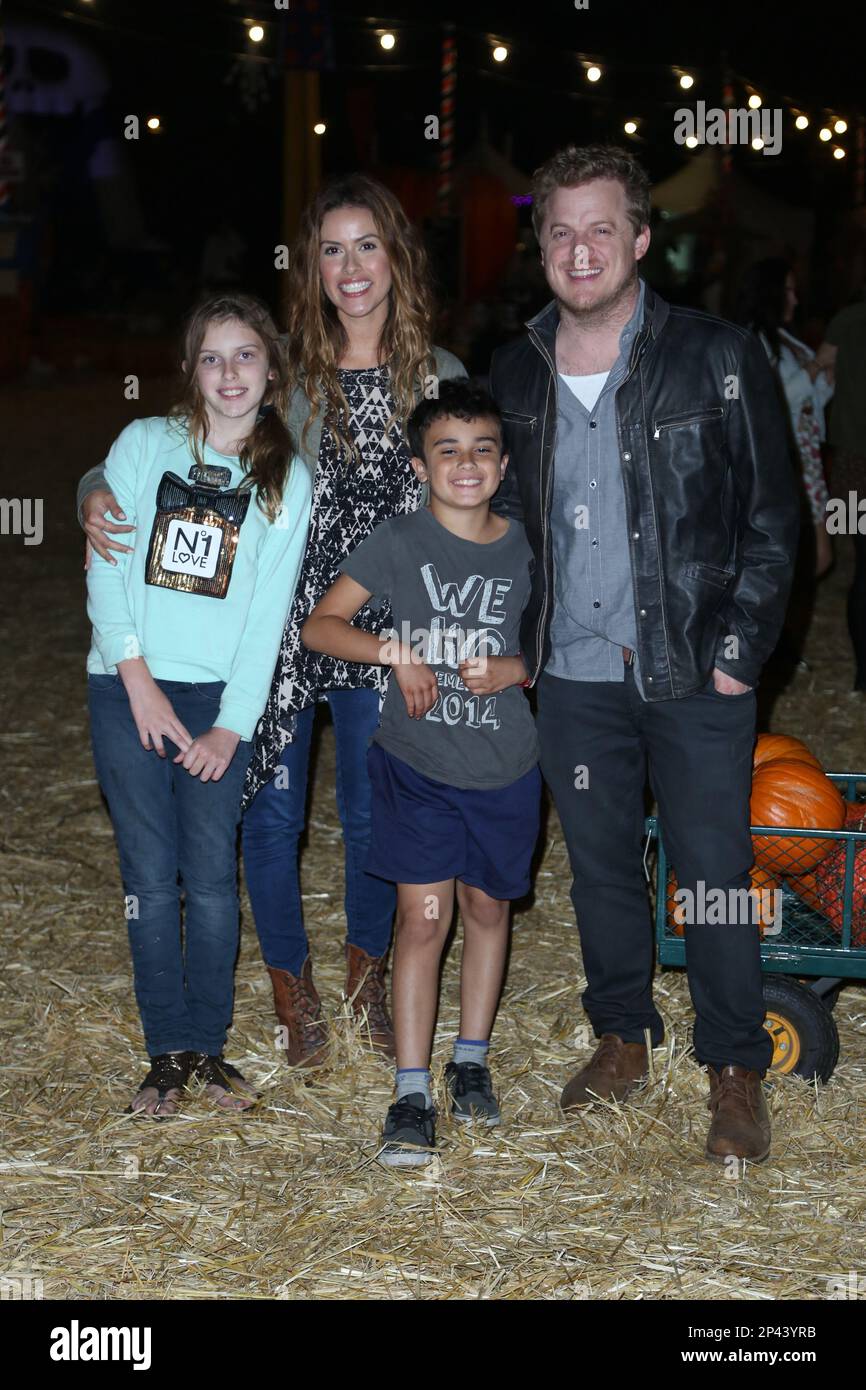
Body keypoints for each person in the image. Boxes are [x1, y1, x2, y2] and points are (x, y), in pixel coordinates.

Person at [77, 176, 466, 1069]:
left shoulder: (437, 376)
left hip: (384, 638)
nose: (351, 266)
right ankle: (293, 991)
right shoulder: (284, 365)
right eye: (332, 248)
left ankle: (369, 975)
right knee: (270, 817)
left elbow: (471, 495)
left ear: (396, 256)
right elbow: (158, 447)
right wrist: (91, 491)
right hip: (278, 632)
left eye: (368, 245)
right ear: (313, 267)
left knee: (375, 817)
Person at [488, 145, 800, 1163]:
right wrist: (512, 646)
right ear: (541, 246)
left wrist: (735, 653)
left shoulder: (716, 356)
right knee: (599, 872)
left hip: (688, 670)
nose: (579, 249)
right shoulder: (514, 368)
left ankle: (733, 1066)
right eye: (559, 230)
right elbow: (495, 519)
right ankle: (620, 1036)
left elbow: (770, 517)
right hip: (569, 675)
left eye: (599, 228)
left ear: (637, 239)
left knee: (710, 869)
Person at [302, 380, 541, 1166]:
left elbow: (561, 646)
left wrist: (517, 667)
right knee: (423, 921)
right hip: (416, 765)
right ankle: (411, 1092)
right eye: (447, 450)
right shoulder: (398, 542)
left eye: (481, 449)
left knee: (485, 911)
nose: (465, 463)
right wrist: (393, 652)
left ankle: (469, 1059)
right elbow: (322, 625)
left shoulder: (527, 548)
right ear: (418, 465)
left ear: (502, 465)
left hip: (506, 766)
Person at [85, 294, 312, 1117]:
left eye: (246, 355)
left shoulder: (288, 478)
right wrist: (135, 678)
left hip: (217, 699)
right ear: (191, 370)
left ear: (272, 370)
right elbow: (105, 565)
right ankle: (164, 1054)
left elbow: (271, 616)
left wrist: (233, 722)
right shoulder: (145, 445)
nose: (229, 373)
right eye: (212, 358)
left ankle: (208, 1050)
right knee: (149, 874)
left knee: (213, 879)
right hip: (126, 687)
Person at [735, 258, 834, 580]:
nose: (795, 298)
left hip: (807, 455)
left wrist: (827, 378)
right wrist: (817, 365)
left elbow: (807, 400)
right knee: (812, 555)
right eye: (788, 290)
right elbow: (771, 401)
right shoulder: (753, 341)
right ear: (770, 293)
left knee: (816, 555)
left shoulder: (786, 339)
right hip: (784, 457)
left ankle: (781, 617)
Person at [817, 294, 866, 692]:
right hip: (853, 459)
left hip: (853, 459)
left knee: (860, 567)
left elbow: (821, 365)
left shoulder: (848, 317)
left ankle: (864, 673)